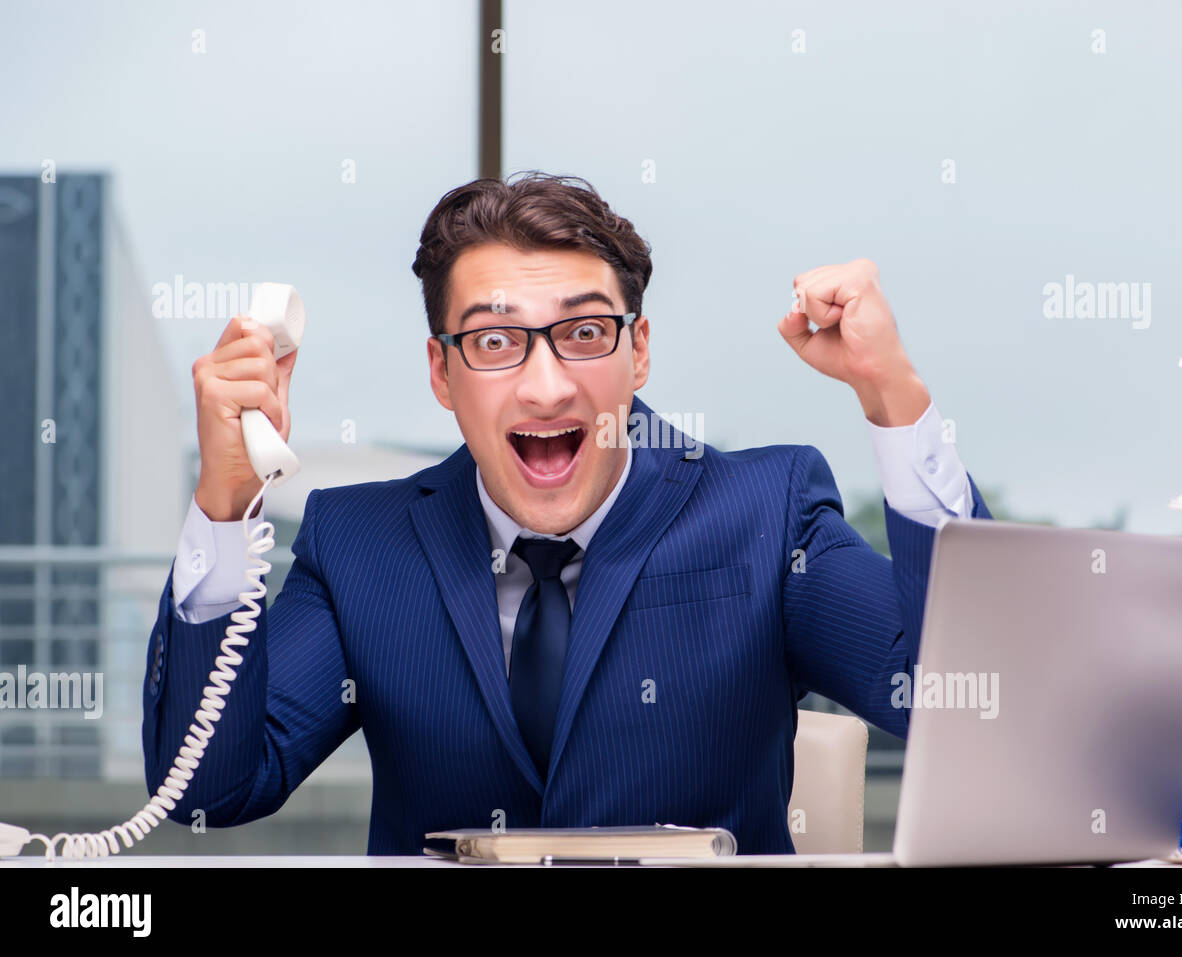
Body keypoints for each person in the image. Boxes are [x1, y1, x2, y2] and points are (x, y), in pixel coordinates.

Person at [143, 171, 995, 854]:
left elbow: (954, 703)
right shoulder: (361, 545)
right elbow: (211, 793)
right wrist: (225, 501)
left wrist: (895, 397)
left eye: (586, 333)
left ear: (640, 352)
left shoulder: (764, 514)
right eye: (494, 340)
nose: (546, 385)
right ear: (441, 375)